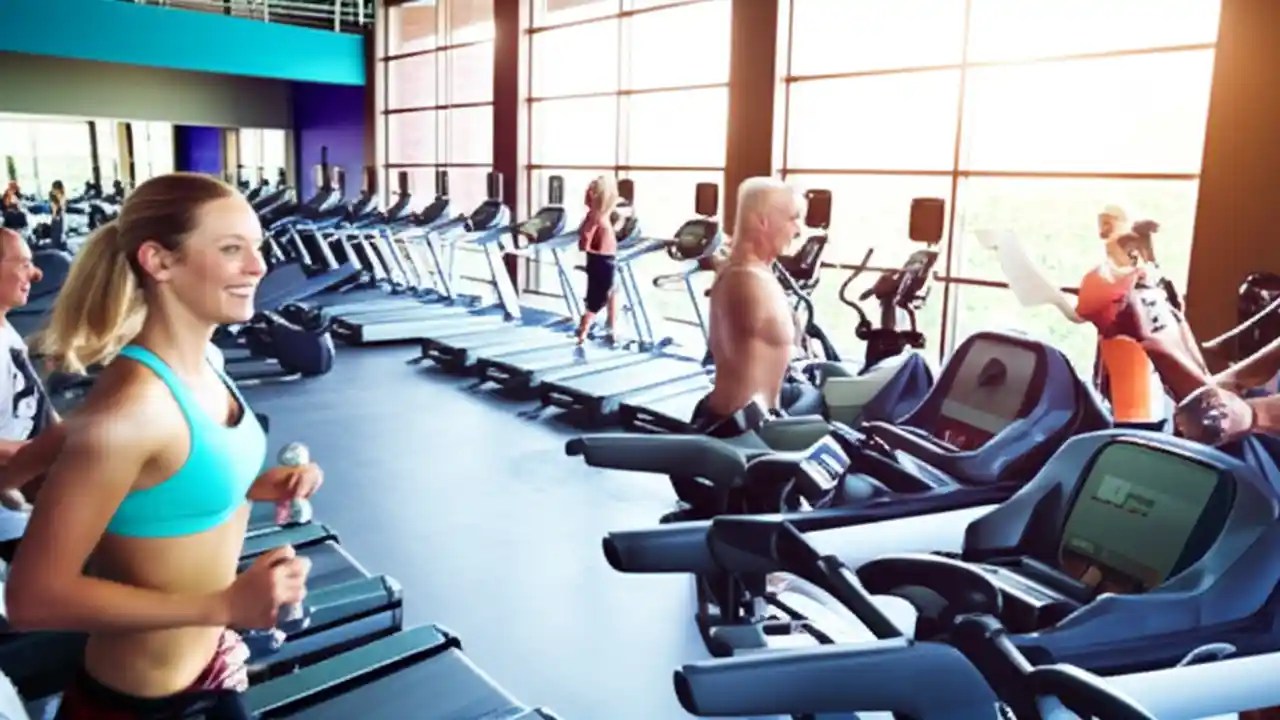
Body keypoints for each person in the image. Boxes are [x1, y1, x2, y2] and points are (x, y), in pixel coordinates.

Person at [4, 172, 323, 719]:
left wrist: (252, 484)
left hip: (212, 668)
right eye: (231, 249)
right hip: (138, 706)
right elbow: (31, 600)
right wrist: (224, 603)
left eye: (257, 247)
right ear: (159, 261)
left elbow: (165, 483)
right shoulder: (131, 410)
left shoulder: (206, 365)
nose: (259, 265)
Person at [690, 177, 814, 436]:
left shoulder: (745, 271)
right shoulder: (747, 279)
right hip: (741, 429)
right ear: (762, 221)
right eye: (793, 218)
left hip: (749, 419)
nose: (799, 230)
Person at [0, 229, 56, 554]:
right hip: (11, 517)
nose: (35, 274)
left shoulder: (7, 331)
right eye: (23, 264)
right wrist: (44, 455)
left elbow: (41, 408)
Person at [575, 176, 621, 345]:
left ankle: (610, 326)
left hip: (602, 257)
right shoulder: (597, 215)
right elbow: (587, 233)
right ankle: (584, 330)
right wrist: (585, 244)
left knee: (611, 291)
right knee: (598, 298)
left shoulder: (601, 214)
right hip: (602, 259)